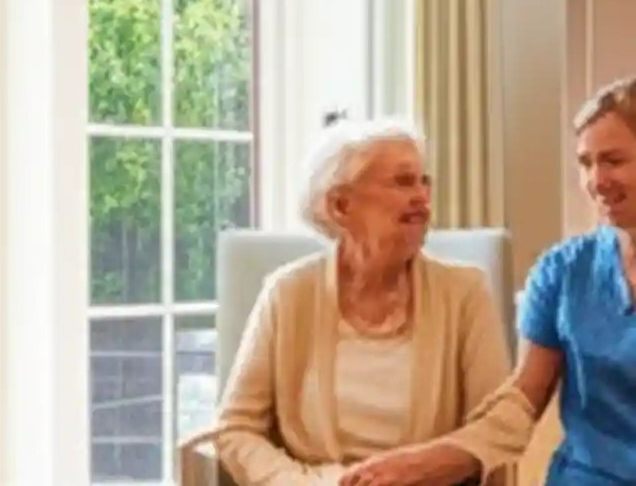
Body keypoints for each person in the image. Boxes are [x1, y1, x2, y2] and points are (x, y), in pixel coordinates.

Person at [178, 118, 513, 485]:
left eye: (424, 181)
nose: (421, 197)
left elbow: (496, 425)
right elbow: (236, 429)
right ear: (340, 205)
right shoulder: (287, 294)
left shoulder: (465, 292)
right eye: (403, 182)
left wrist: (422, 467)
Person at [348, 75, 636, 485]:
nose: (596, 181)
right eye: (586, 163)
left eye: (613, 160)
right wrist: (437, 458)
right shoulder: (562, 271)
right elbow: (520, 403)